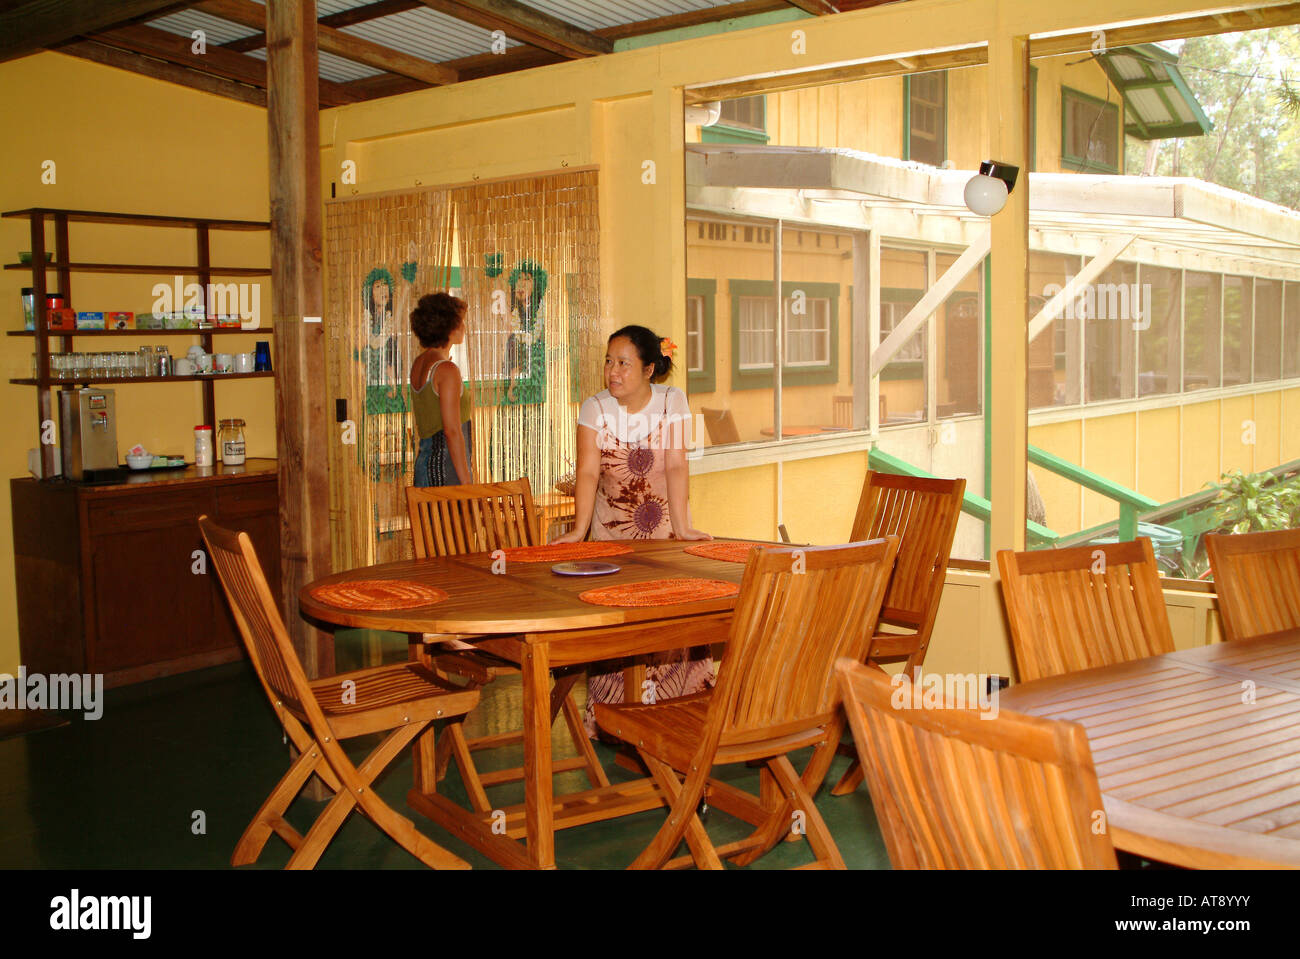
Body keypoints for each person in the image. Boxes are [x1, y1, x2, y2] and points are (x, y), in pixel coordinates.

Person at [551, 325, 712, 734]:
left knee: (668, 620)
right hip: (612, 537)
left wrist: (683, 527)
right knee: (620, 624)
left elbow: (676, 465)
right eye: (609, 361)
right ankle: (616, 722)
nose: (612, 371)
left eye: (623, 363)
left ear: (649, 369)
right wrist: (579, 529)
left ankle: (675, 715)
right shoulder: (594, 408)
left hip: (664, 537)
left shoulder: (673, 400)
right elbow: (587, 471)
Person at [410, 292, 474, 487]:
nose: (464, 327)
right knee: (452, 519)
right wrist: (467, 484)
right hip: (445, 469)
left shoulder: (420, 363)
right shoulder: (446, 370)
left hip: (424, 467)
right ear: (447, 327)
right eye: (460, 322)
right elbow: (452, 431)